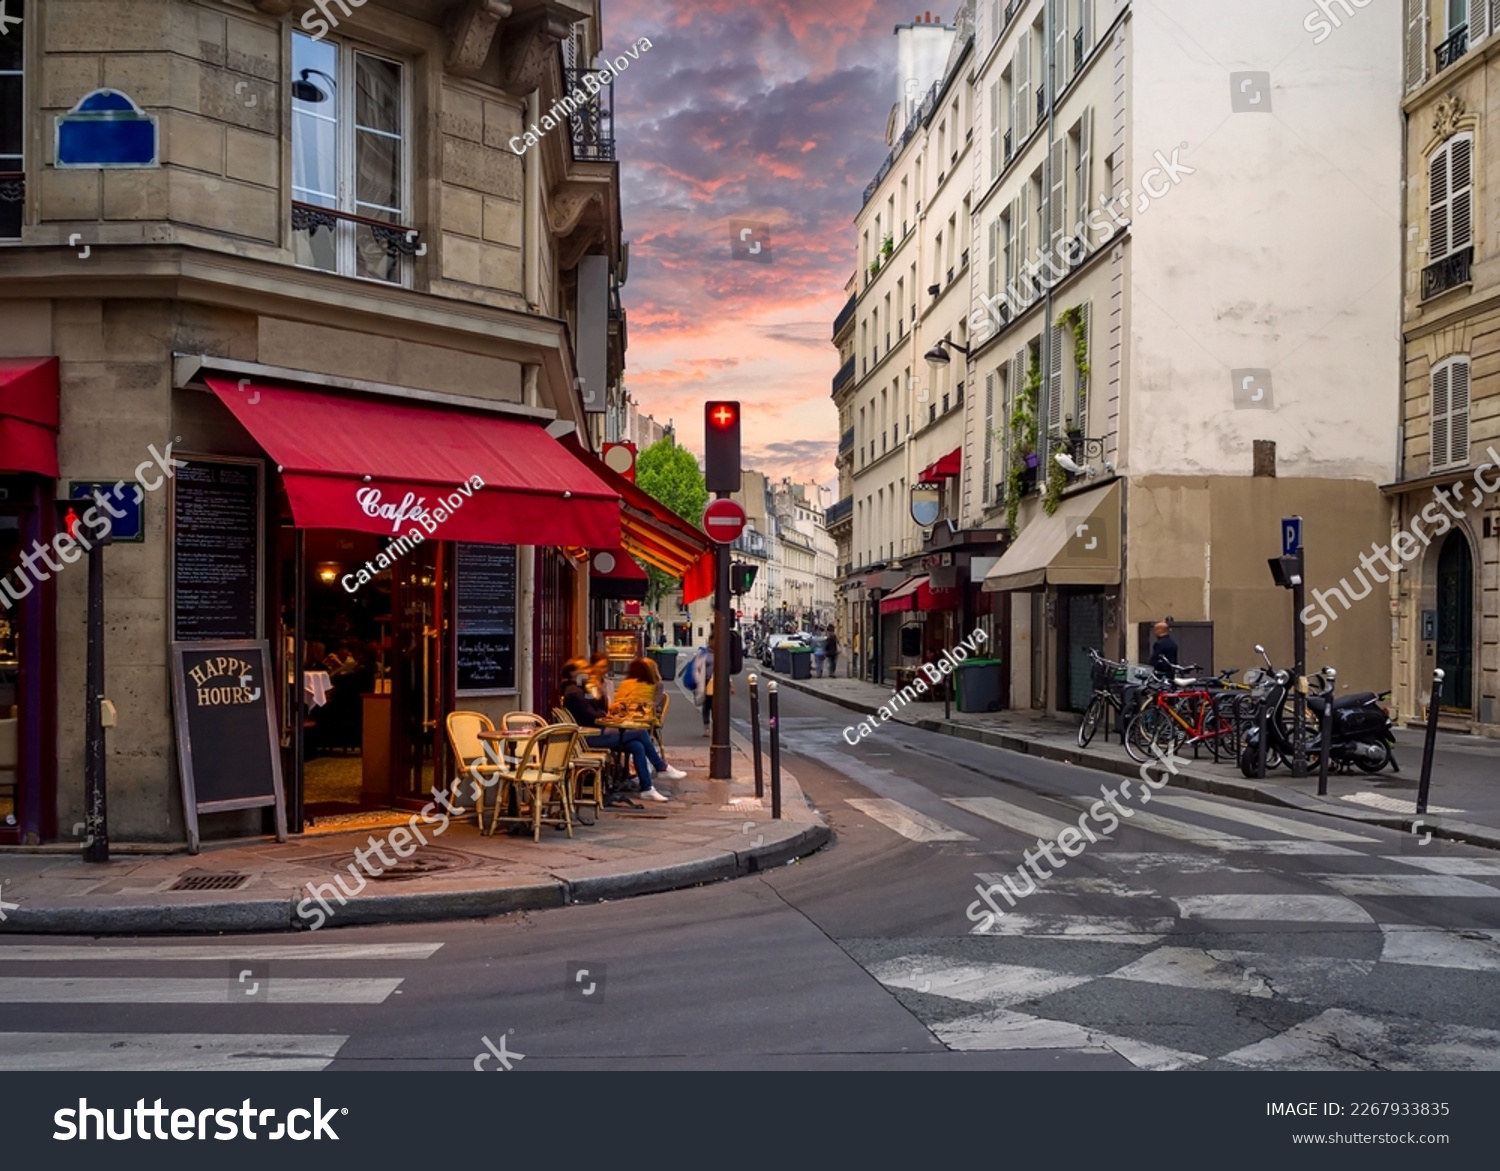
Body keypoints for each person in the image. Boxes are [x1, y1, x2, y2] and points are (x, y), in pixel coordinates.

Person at [561, 659, 680, 800]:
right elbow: (592, 715)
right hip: (589, 737)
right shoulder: (574, 692)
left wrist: (599, 691)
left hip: (594, 732)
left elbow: (600, 708)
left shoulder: (581, 688)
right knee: (640, 732)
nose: (588, 670)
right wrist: (603, 713)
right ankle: (661, 767)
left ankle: (647, 788)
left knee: (637, 746)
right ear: (574, 673)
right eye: (583, 668)